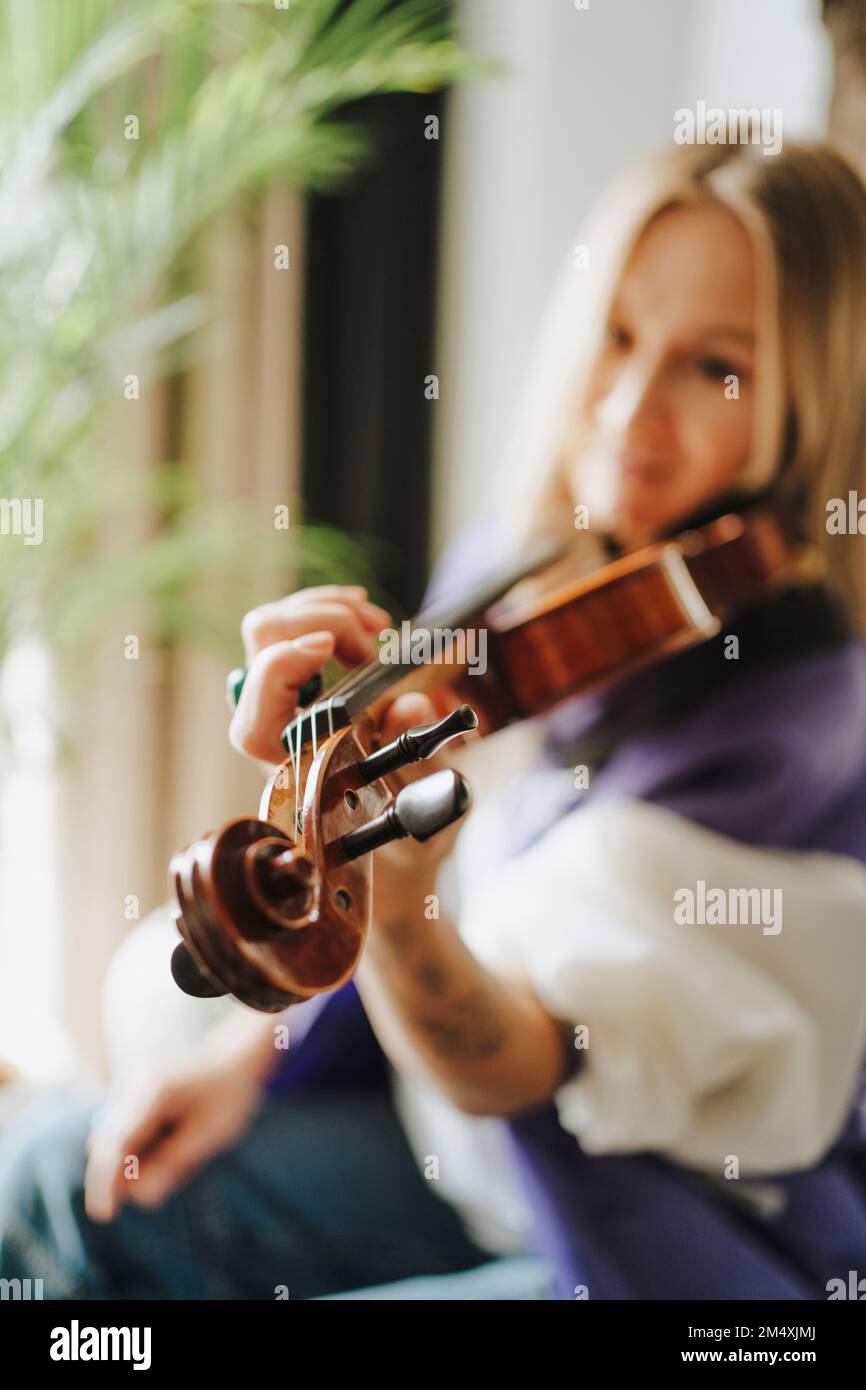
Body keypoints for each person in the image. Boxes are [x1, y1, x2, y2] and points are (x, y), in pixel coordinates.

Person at [3, 139, 866, 1300]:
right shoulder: (534, 575)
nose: (624, 409)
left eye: (711, 368)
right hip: (444, 1132)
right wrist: (249, 1054)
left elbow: (523, 1063)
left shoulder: (802, 725)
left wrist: (400, 914)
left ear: (816, 403)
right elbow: (395, 847)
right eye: (616, 334)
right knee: (54, 1167)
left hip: (639, 1220)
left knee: (77, 1205)